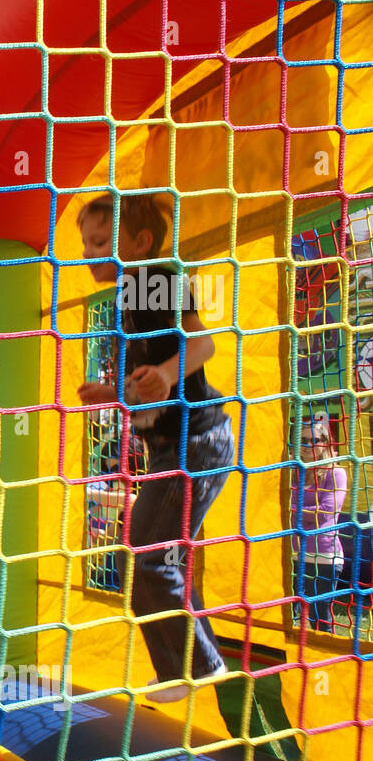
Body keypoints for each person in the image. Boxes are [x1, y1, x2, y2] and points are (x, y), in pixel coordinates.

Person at [76, 193, 233, 703]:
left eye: (99, 242)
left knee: (149, 556)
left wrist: (166, 374)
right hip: (173, 448)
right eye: (85, 244)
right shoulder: (128, 296)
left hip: (196, 444)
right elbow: (145, 384)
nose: (86, 252)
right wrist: (115, 392)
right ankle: (178, 670)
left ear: (139, 243)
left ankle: (200, 665)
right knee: (150, 554)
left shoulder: (153, 279)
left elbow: (203, 344)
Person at [292, 418, 349, 634]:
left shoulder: (336, 473)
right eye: (304, 440)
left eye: (315, 440)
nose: (309, 445)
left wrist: (293, 510)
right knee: (287, 616)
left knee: (319, 619)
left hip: (324, 557)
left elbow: (325, 512)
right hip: (293, 556)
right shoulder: (293, 470)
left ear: (326, 442)